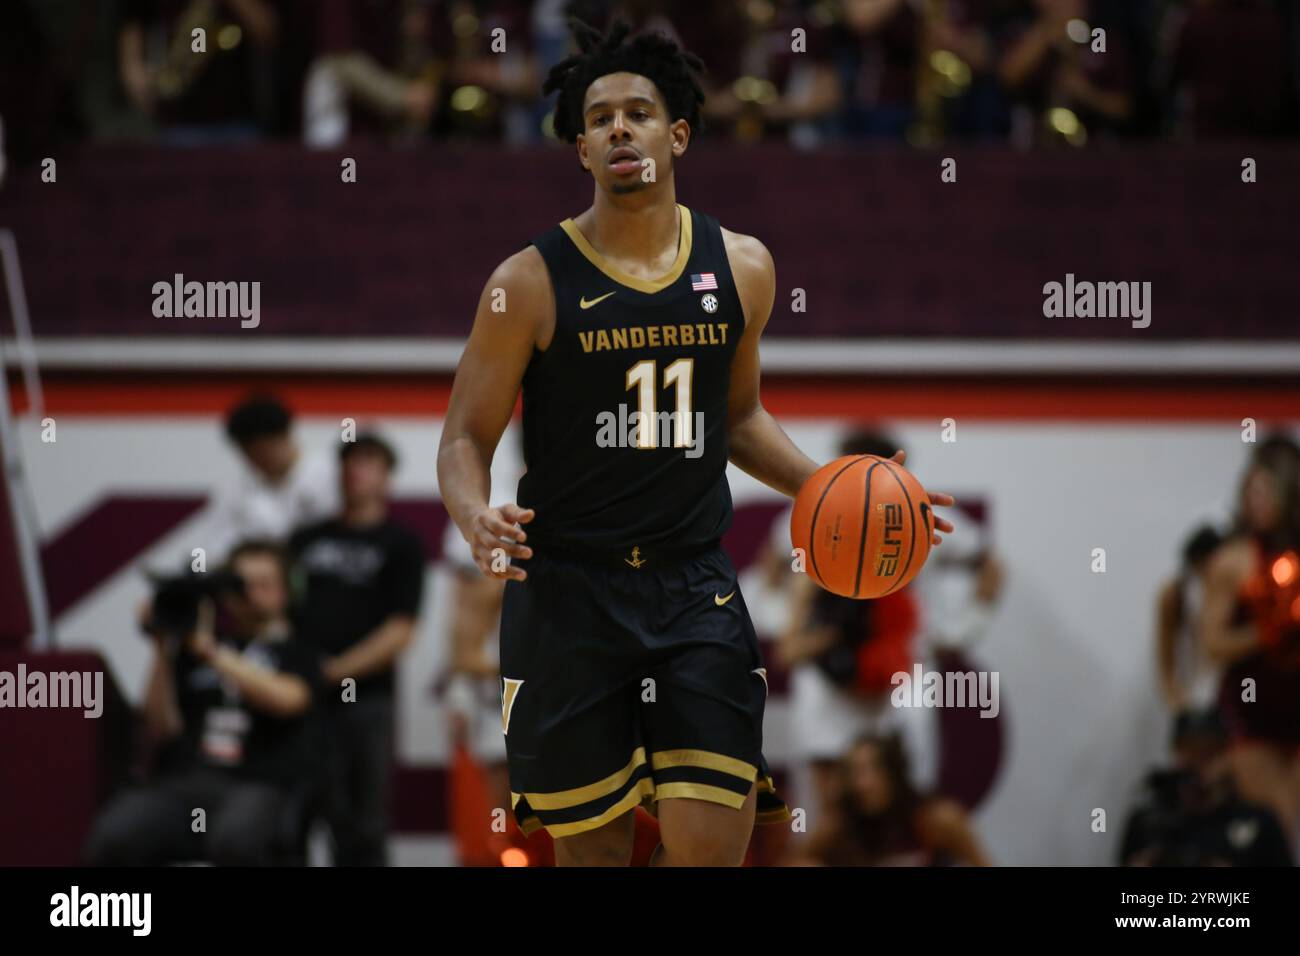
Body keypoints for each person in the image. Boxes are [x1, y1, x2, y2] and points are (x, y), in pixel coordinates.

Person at [436, 17, 955, 867]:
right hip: (569, 591)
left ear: (676, 135)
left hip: (693, 590)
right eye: (598, 119)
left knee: (713, 849)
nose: (617, 129)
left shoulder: (743, 267)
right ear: (581, 150)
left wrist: (839, 488)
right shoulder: (526, 283)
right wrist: (471, 512)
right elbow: (466, 433)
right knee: (592, 858)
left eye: (638, 113)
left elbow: (739, 419)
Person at [86, 540, 322, 866]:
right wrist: (163, 650)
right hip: (185, 781)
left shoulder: (297, 650)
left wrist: (213, 655)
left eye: (264, 584)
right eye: (242, 584)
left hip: (258, 783)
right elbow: (159, 728)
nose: (251, 594)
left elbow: (289, 699)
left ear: (286, 591)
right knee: (115, 835)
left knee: (235, 840)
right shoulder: (194, 648)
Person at [289, 432, 425, 866]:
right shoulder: (304, 540)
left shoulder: (401, 544)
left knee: (363, 823)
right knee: (293, 814)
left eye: (369, 462)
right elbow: (279, 609)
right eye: (349, 462)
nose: (356, 471)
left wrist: (334, 671)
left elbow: (401, 630)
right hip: (297, 701)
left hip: (366, 702)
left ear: (387, 476)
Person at [1200, 434, 1300, 844]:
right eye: (1251, 490)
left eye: (1266, 492)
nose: (1255, 502)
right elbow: (1212, 643)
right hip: (1253, 709)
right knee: (1274, 825)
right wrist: (1267, 631)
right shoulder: (1233, 561)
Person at [1120, 709, 1292, 867]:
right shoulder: (1147, 821)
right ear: (1175, 756)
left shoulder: (1259, 823)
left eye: (1209, 753)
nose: (1199, 764)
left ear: (1227, 757)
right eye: (1190, 753)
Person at [795, 735, 990, 866]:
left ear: (895, 772)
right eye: (854, 773)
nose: (864, 784)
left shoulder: (937, 820)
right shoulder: (837, 829)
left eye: (874, 769)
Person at [203, 394, 339, 565]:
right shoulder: (236, 491)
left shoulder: (331, 475)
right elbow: (218, 547)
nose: (260, 459)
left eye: (265, 450)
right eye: (250, 454)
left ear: (285, 435)